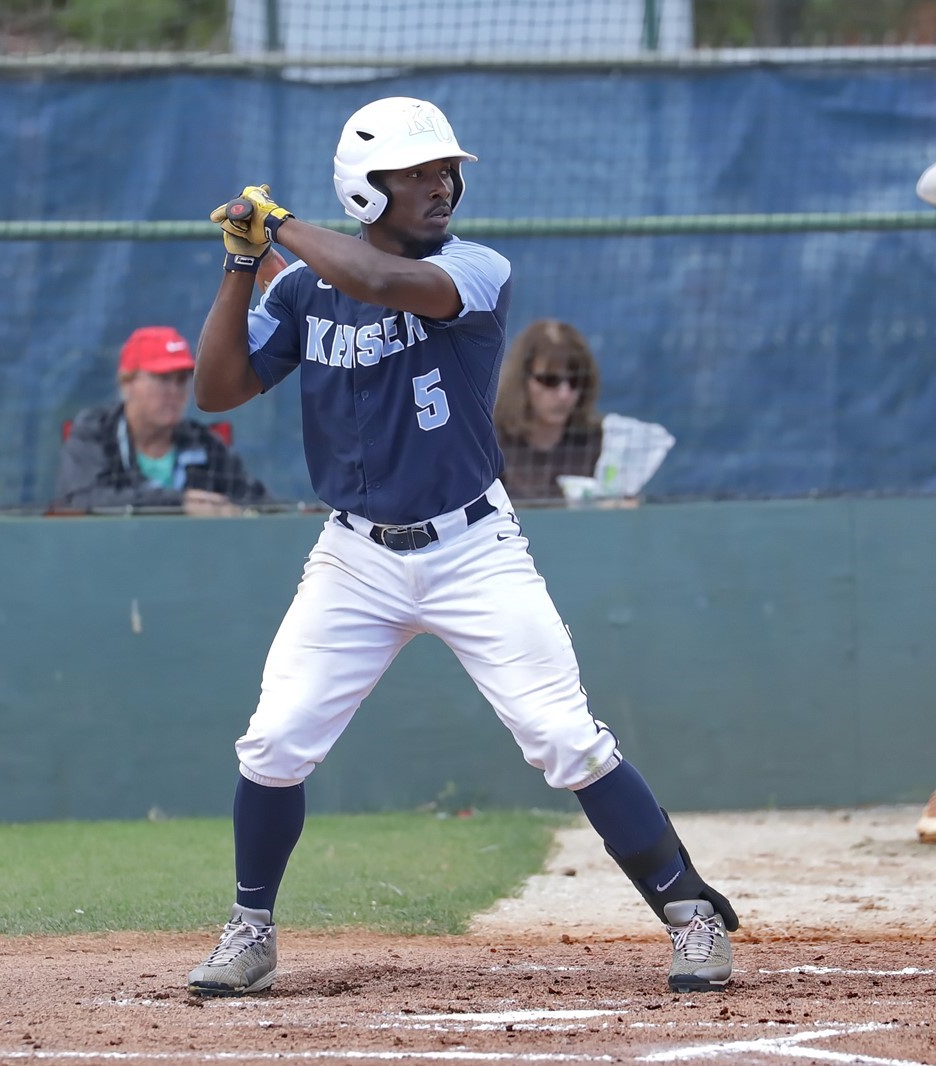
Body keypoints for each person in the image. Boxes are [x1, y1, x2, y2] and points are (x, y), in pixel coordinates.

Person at [184, 97, 739, 998]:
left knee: (566, 739)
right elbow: (217, 388)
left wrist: (280, 223)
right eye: (416, 173)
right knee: (274, 742)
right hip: (355, 556)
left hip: (472, 546)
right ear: (367, 189)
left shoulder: (473, 270)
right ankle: (250, 929)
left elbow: (384, 285)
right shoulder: (298, 287)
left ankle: (690, 913)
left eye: (446, 170)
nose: (442, 184)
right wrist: (243, 265)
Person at [54, 325, 273, 515]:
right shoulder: (95, 432)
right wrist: (179, 504)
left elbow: (260, 504)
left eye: (181, 380)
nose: (173, 391)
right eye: (162, 378)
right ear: (127, 382)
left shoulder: (206, 445)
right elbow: (82, 500)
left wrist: (238, 512)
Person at [493, 319, 605, 502]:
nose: (564, 394)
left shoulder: (600, 441)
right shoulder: (490, 443)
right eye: (550, 380)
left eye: (575, 381)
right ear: (522, 380)